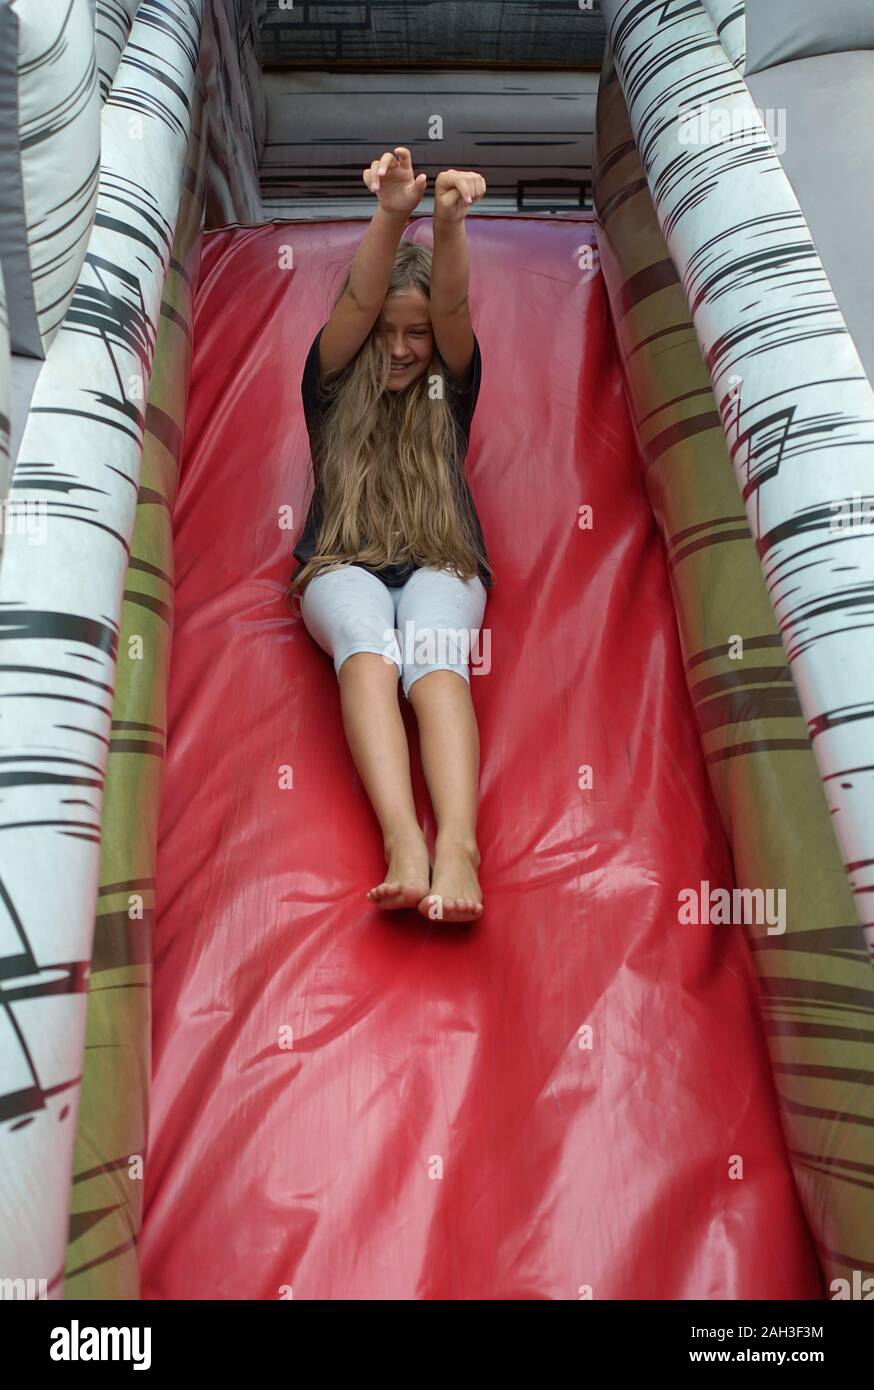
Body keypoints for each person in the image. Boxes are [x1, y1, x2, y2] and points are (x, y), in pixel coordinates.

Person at [287, 147, 493, 923]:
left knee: (435, 658)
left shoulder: (451, 388)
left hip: (441, 560)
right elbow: (359, 299)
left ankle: (459, 847)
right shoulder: (333, 383)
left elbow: (451, 309)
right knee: (368, 647)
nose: (402, 348)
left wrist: (446, 224)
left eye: (416, 335)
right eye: (386, 333)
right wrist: (391, 214)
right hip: (343, 562)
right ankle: (406, 840)